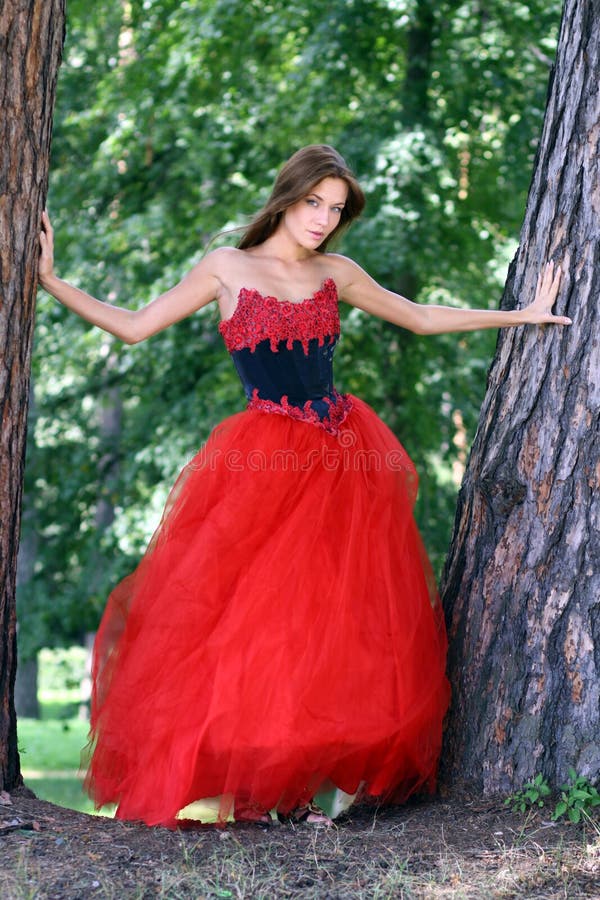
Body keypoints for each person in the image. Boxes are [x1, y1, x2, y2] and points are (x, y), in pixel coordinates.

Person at [38, 144, 569, 828]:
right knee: (255, 626)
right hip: (262, 465)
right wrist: (52, 282)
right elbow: (136, 327)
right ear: (286, 198)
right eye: (314, 203)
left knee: (330, 630)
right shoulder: (227, 267)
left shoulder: (337, 272)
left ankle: (297, 795)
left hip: (342, 463)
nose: (323, 219)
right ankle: (255, 795)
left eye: (336, 209)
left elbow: (420, 315)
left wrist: (522, 315)